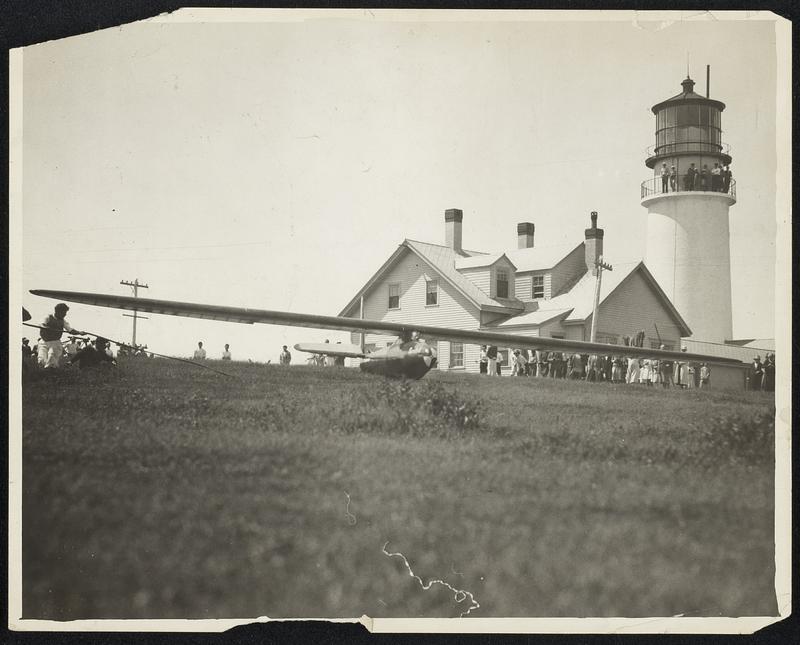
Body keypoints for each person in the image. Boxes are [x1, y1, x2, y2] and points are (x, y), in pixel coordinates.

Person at [38, 303, 81, 369]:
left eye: (65, 312)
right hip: (44, 342)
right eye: (63, 312)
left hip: (55, 342)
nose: (65, 314)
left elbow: (70, 330)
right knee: (41, 361)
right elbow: (41, 324)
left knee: (52, 359)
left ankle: (51, 374)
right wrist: (46, 327)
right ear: (57, 311)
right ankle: (42, 374)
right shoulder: (48, 317)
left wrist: (79, 332)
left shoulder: (63, 321)